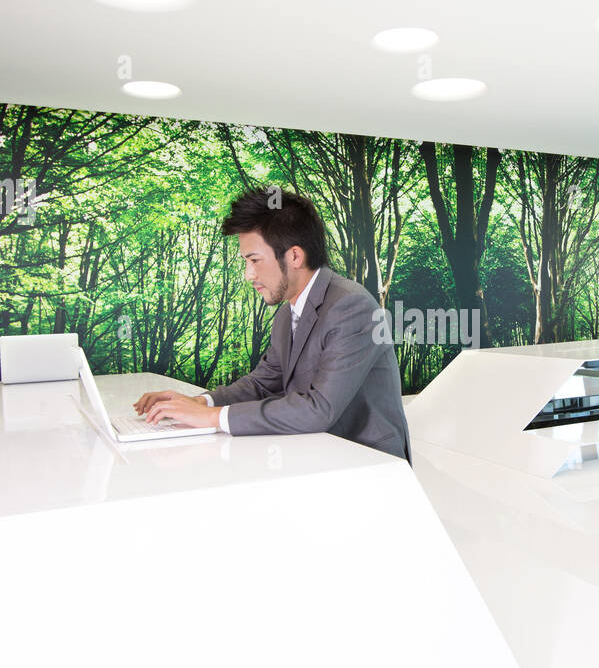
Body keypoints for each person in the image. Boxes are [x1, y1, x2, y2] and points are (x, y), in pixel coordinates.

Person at [133, 187, 412, 464]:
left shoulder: (352, 307)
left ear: (294, 256)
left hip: (369, 466)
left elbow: (319, 409)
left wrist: (211, 418)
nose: (248, 274)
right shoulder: (286, 313)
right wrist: (201, 402)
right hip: (314, 455)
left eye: (254, 260)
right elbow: (262, 384)